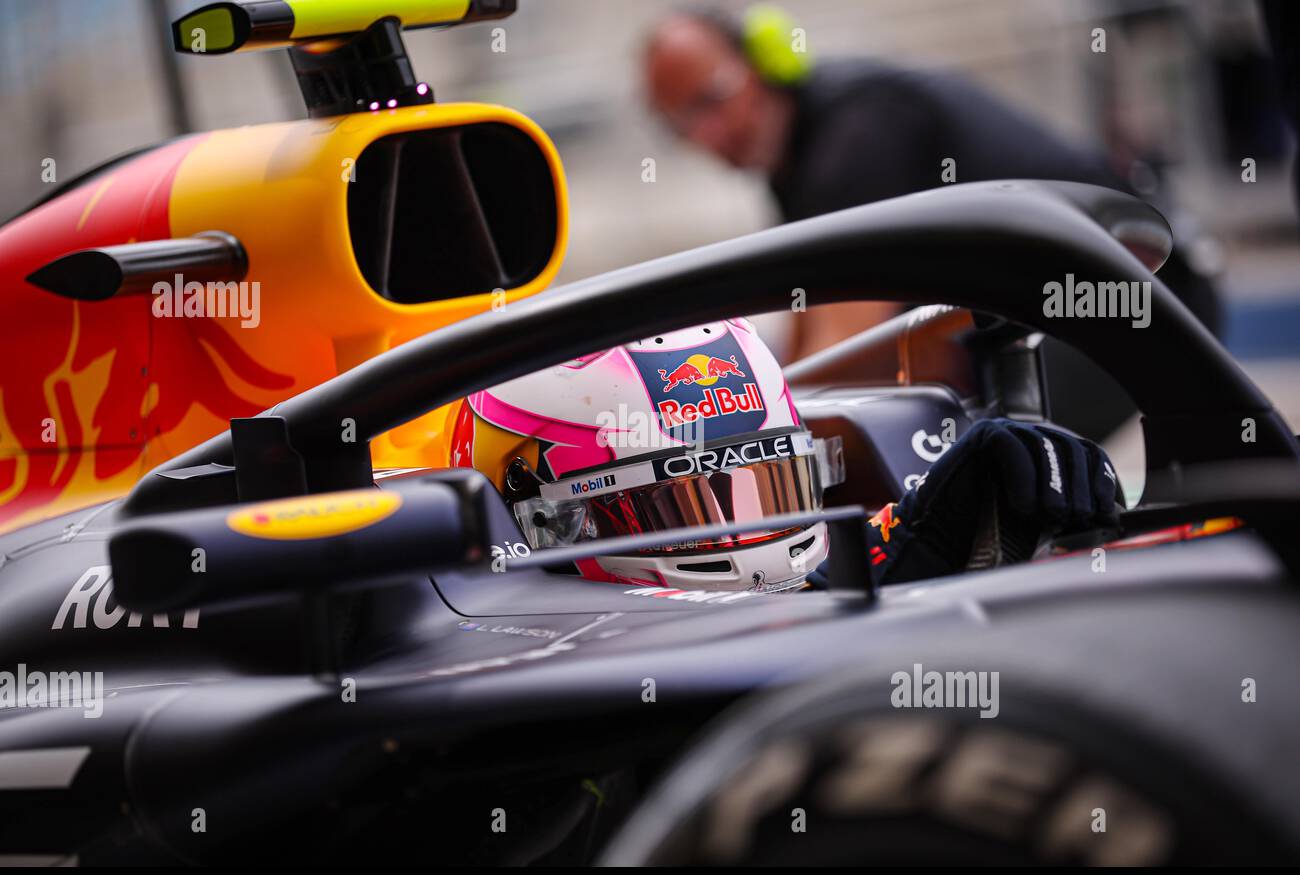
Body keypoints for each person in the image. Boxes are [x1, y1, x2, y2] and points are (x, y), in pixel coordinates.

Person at [643, 5, 1223, 437]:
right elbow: (808, 329)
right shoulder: (795, 164)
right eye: (680, 125)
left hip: (1138, 298)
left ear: (765, 60)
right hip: (1070, 309)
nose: (705, 137)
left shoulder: (856, 137)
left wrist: (748, 445)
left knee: (980, 474)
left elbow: (842, 349)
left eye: (712, 99)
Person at [450, 319, 1119, 591]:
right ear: (552, 521)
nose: (746, 537)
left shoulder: (813, 585)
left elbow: (850, 576)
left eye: (772, 488)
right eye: (677, 505)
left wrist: (953, 525)